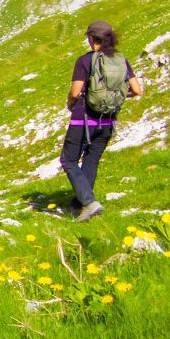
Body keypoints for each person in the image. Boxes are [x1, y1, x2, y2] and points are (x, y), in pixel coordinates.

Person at [61, 19, 143, 221]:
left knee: (69, 159)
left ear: (91, 38)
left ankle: (89, 203)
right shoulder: (120, 60)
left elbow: (75, 92)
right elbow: (137, 90)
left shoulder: (85, 61)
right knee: (91, 159)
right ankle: (79, 205)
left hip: (84, 119)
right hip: (107, 120)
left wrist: (71, 104)